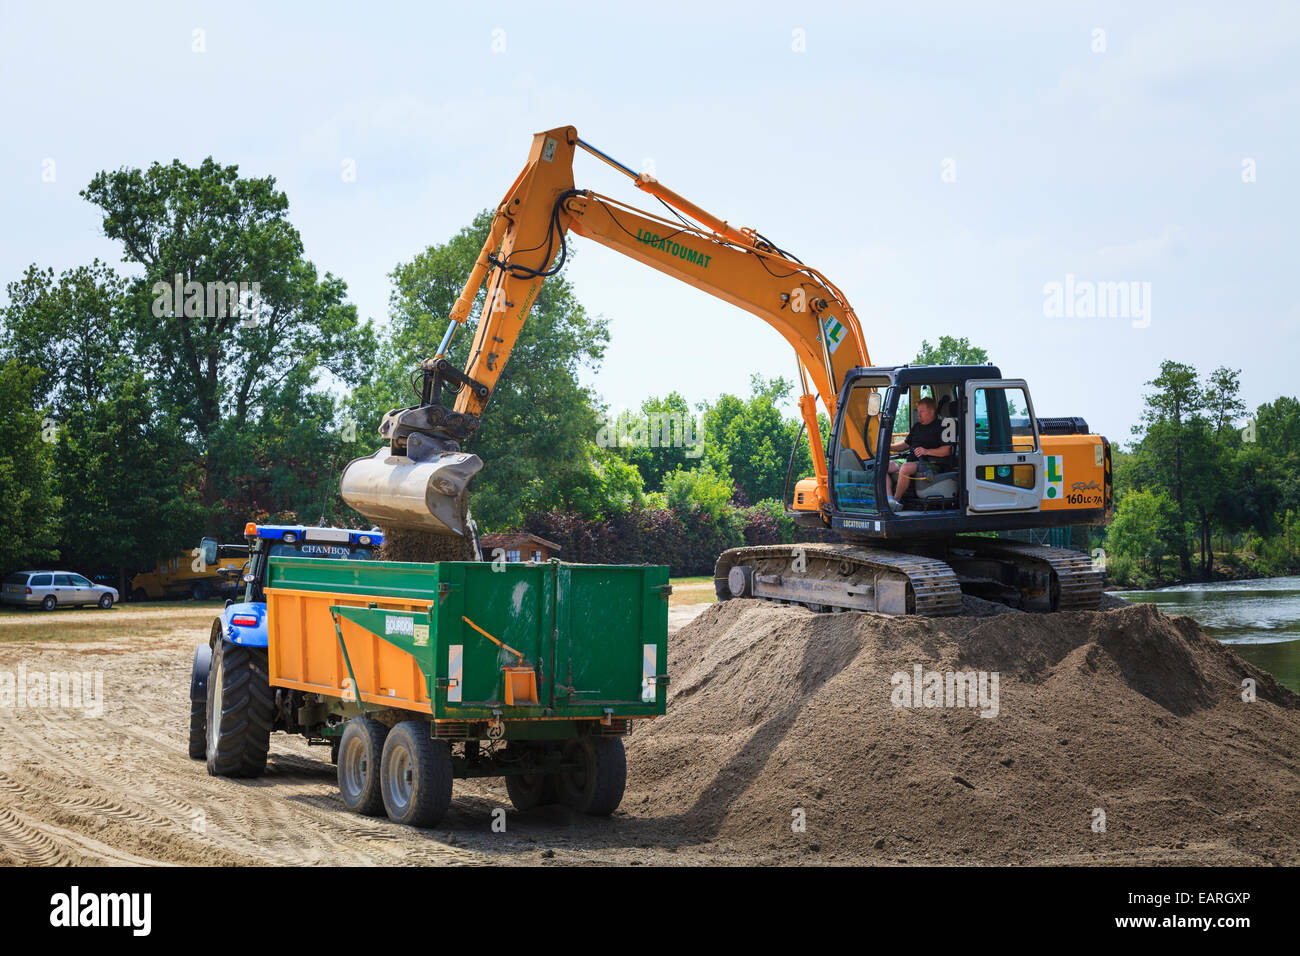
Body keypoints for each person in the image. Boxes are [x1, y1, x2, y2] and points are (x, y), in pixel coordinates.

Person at [887, 396, 951, 508]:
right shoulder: (917, 426)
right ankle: (889, 499)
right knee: (884, 466)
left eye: (921, 411)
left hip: (931, 463)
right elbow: (906, 444)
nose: (918, 414)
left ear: (931, 412)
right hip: (911, 460)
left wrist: (926, 451)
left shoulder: (942, 427)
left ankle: (896, 503)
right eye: (918, 411)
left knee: (906, 468)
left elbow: (947, 450)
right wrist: (889, 447)